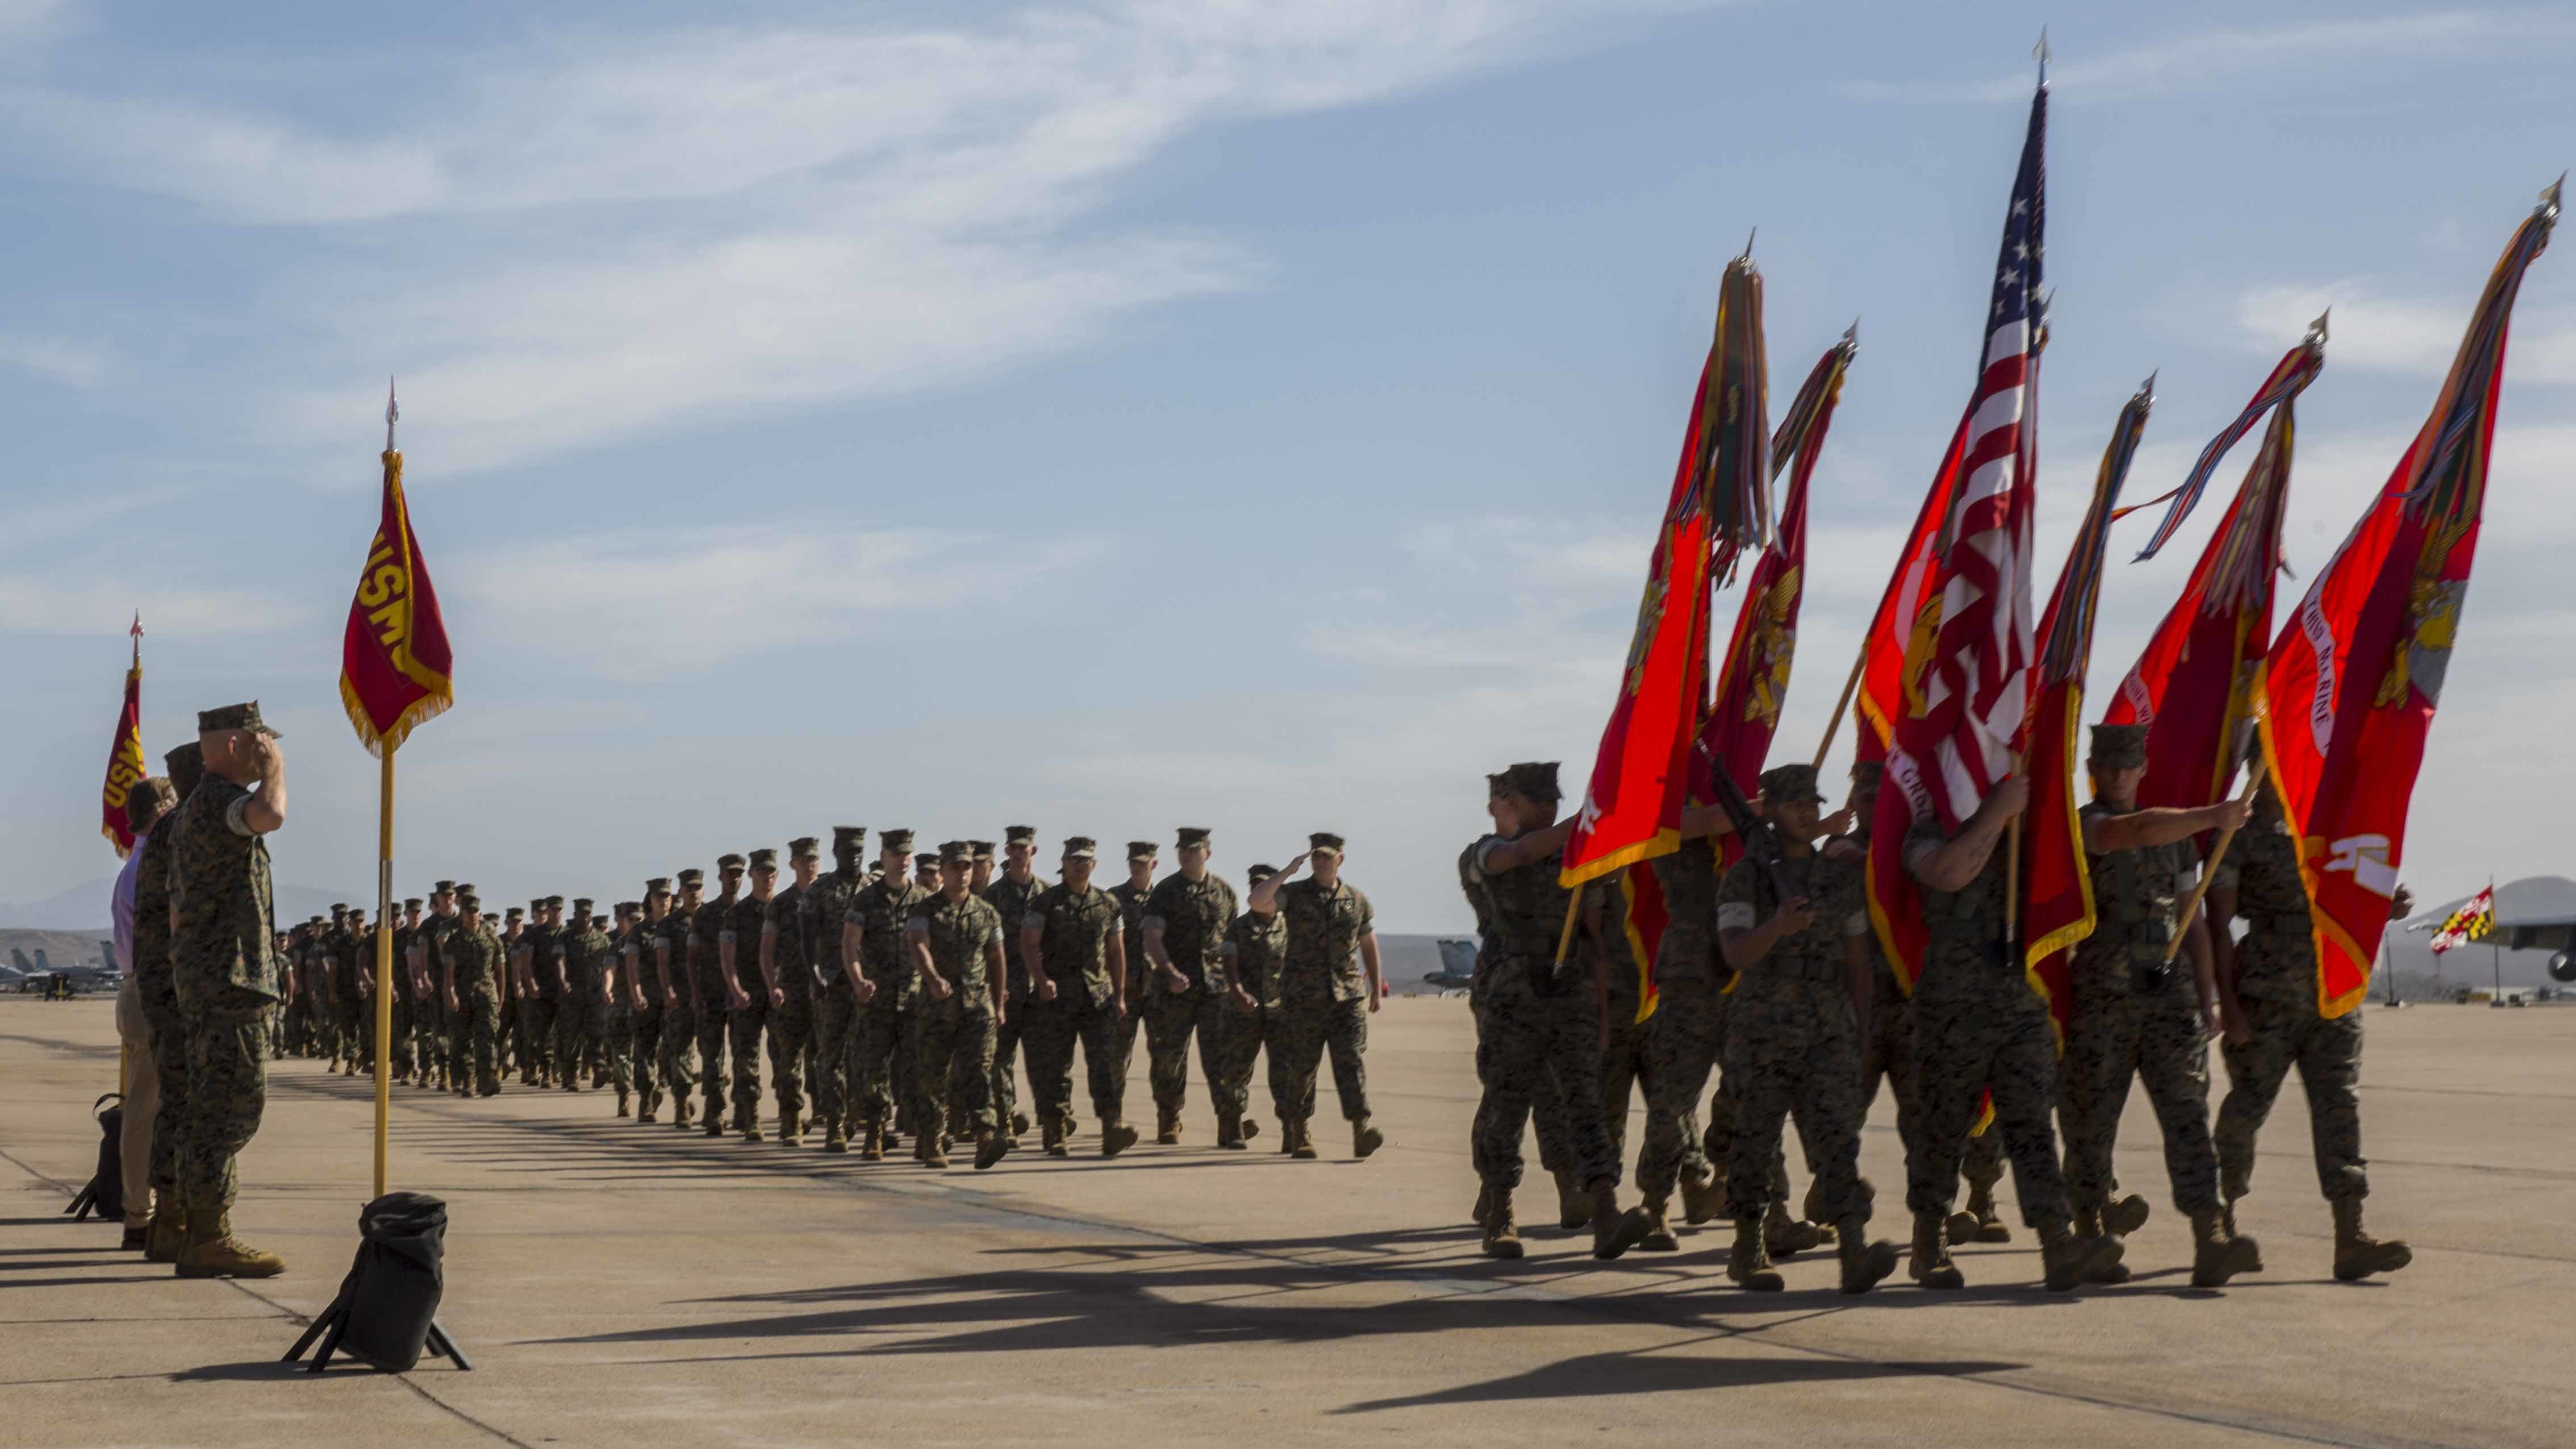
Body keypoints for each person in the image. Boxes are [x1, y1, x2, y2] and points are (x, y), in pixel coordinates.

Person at [1900, 770, 2123, 1291]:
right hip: (1952, 1006)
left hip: (2021, 1004)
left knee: (2031, 1127)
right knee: (1942, 1128)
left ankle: (2057, 1241)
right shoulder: (1926, 832)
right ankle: (1929, 1242)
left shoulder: (2032, 836)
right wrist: (1996, 811)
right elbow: (1947, 873)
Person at [2063, 723, 2261, 1287]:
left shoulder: (2175, 837)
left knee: (2187, 1115)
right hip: (2103, 994)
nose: (2118, 775)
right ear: (2092, 770)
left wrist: (2207, 998)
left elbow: (2190, 919)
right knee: (2091, 1119)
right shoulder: (2083, 825)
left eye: (2128, 765)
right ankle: (2088, 1231)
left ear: (2142, 769)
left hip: (2167, 991)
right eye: (2108, 766)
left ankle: (2210, 1235)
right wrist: (2213, 815)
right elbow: (2132, 831)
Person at [2210, 771, 2415, 1281]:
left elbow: (2353, 895)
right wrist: (2228, 1005)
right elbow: (2217, 922)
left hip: (2332, 993)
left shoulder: (2335, 826)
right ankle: (2217, 1226)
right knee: (2245, 1109)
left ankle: (2350, 1236)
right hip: (2265, 997)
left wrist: (2385, 906)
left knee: (2339, 1109)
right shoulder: (2239, 829)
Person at [1711, 763, 1900, 1293]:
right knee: (1756, 1139)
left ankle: (1853, 1250)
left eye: (1812, 803)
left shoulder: (1837, 876)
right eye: (1793, 804)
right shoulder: (1746, 876)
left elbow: (1857, 958)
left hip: (1827, 1024)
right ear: (1769, 810)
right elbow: (1735, 953)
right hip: (1763, 1025)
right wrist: (1777, 926)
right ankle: (1748, 1248)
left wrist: (1860, 1026)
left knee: (1838, 1139)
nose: (1806, 812)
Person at [1463, 762, 1648, 1261]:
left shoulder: (1577, 857)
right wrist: (1586, 821)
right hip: (1512, 993)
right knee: (1507, 1105)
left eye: (1554, 801)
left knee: (1586, 1105)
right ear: (1512, 804)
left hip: (1570, 992)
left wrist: (1603, 1010)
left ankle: (1605, 1212)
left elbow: (1594, 934)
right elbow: (1519, 854)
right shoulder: (1484, 851)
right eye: (1537, 801)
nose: (1548, 808)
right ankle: (1500, 1213)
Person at [166, 701, 288, 1279]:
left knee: (210, 1107)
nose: (268, 752)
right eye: (261, 743)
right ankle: (208, 1236)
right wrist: (276, 770)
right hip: (229, 986)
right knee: (229, 1109)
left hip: (219, 982)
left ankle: (198, 1228)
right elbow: (270, 814)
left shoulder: (204, 803)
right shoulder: (218, 801)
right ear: (237, 744)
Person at [1250, 833, 1385, 1162]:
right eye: (1316, 856)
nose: (1320, 861)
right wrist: (1287, 872)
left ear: (1341, 859)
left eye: (1326, 856)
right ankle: (1299, 1132)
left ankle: (1361, 1129)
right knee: (1302, 1068)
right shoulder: (1295, 894)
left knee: (1351, 1062)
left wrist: (1376, 987)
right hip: (1303, 999)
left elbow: (1368, 943)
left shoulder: (1356, 899)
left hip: (1347, 998)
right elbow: (1257, 902)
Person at [1022, 837, 1138, 1157]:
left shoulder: (1108, 904)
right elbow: (1029, 944)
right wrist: (1041, 979)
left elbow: (1116, 951)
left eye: (1085, 860)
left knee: (1106, 1065)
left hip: (1097, 999)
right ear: (1064, 863)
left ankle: (1112, 1127)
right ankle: (1056, 1130)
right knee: (1057, 1067)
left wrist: (1120, 994)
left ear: (1094, 865)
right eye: (1074, 860)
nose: (1079, 865)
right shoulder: (1046, 903)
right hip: (1057, 999)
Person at [135, 743, 202, 1262]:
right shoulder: (179, 835)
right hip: (177, 991)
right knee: (182, 1107)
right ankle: (174, 1219)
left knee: (171, 1106)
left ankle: (166, 1219)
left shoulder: (159, 840)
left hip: (163, 988)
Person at [909, 841, 1012, 1171]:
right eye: (955, 867)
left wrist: (999, 1002)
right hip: (937, 1007)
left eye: (967, 867)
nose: (962, 873)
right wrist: (933, 979)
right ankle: (932, 1139)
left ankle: (985, 1137)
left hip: (977, 1007)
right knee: (933, 1076)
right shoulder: (925, 911)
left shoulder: (987, 912)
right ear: (943, 871)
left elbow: (996, 958)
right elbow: (918, 947)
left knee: (980, 1071)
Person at [111, 775, 178, 1251]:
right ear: (161, 811)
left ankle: (142, 1210)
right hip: (150, 990)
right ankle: (139, 1213)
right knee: (145, 1109)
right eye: (174, 804)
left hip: (139, 989)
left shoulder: (137, 864)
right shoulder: (150, 867)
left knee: (146, 1107)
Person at [1141, 828, 1238, 1145]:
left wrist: (1237, 985)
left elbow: (1232, 944)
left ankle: (1229, 1121)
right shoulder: (1165, 892)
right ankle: (1169, 1117)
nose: (1186, 855)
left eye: (1193, 850)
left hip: (1215, 990)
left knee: (1222, 1057)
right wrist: (1169, 972)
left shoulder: (1225, 893)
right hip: (1175, 991)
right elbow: (1152, 938)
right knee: (1169, 1058)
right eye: (1182, 849)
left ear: (1208, 853)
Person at [842, 832, 921, 1159]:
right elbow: (849, 945)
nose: (903, 860)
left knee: (920, 1068)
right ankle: (875, 1133)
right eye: (896, 854)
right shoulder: (865, 901)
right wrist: (858, 980)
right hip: (877, 1000)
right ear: (884, 857)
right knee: (875, 1069)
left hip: (915, 999)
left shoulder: (924, 899)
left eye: (907, 854)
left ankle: (926, 1134)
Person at [984, 826, 1051, 1145]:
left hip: (1039, 992)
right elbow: (982, 947)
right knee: (1001, 1060)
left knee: (1043, 1060)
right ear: (1007, 851)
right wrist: (991, 986)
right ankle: (1005, 1120)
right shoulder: (992, 897)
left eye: (1025, 848)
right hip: (1006, 990)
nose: (1019, 853)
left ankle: (1052, 1123)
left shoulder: (1048, 895)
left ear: (1033, 851)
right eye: (1014, 847)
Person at [1216, 863, 1285, 1154]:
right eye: (1255, 886)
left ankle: (1292, 1129)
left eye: (1264, 886)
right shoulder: (1238, 927)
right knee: (1237, 1071)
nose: (1259, 891)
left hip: (1279, 1009)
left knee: (1285, 1070)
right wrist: (1239, 993)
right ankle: (1232, 1126)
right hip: (1243, 1010)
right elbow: (1229, 965)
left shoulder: (1288, 925)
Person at [806, 830, 869, 1151]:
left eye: (859, 851)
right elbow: (807, 934)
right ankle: (834, 1123)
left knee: (866, 1054)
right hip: (831, 983)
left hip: (866, 984)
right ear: (835, 853)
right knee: (830, 1056)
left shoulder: (873, 887)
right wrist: (815, 974)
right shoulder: (820, 890)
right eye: (847, 852)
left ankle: (860, 1115)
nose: (854, 857)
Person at [762, 841, 827, 1143]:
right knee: (789, 1058)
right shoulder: (781, 904)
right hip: (792, 989)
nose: (809, 864)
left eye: (813, 859)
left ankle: (829, 1114)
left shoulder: (829, 896)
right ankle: (791, 1120)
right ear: (793, 864)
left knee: (829, 1056)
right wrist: (772, 984)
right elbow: (767, 950)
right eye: (803, 859)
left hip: (826, 989)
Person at [723, 850, 780, 1141]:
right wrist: (736, 989)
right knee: (746, 1057)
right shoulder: (736, 915)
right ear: (751, 875)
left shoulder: (785, 909)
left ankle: (789, 1116)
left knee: (784, 1056)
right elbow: (727, 957)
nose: (766, 877)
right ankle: (751, 1116)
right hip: (747, 994)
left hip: (779, 994)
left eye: (771, 872)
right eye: (761, 872)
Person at [693, 855, 745, 1136]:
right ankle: (715, 1111)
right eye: (729, 874)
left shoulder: (748, 911)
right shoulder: (704, 915)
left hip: (740, 995)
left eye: (738, 874)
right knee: (712, 1056)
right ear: (720, 877)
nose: (734, 879)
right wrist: (695, 992)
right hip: (711, 993)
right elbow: (692, 958)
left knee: (742, 1054)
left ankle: (742, 1109)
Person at [441, 892, 505, 1097]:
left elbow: (500, 972)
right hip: (462, 996)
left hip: (486, 995)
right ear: (462, 914)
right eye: (468, 911)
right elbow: (449, 972)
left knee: (487, 1037)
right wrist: (451, 993)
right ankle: (468, 1080)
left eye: (475, 911)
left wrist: (500, 997)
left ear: (480, 913)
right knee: (463, 1039)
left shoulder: (492, 940)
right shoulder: (453, 942)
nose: (472, 915)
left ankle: (487, 1079)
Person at [659, 870, 705, 1128]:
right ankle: (682, 1104)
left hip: (709, 993)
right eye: (689, 888)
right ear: (681, 892)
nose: (694, 893)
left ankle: (715, 1106)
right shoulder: (669, 925)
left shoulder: (712, 917)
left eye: (698, 888)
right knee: (681, 1052)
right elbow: (663, 962)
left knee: (713, 1051)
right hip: (681, 995)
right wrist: (668, 990)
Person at [630, 880, 674, 1122]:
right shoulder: (639, 931)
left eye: (667, 896)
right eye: (658, 897)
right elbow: (632, 966)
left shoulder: (678, 925)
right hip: (647, 999)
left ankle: (675, 1094)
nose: (663, 901)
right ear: (650, 900)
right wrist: (637, 993)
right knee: (645, 1051)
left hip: (673, 999)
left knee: (675, 1049)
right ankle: (646, 1100)